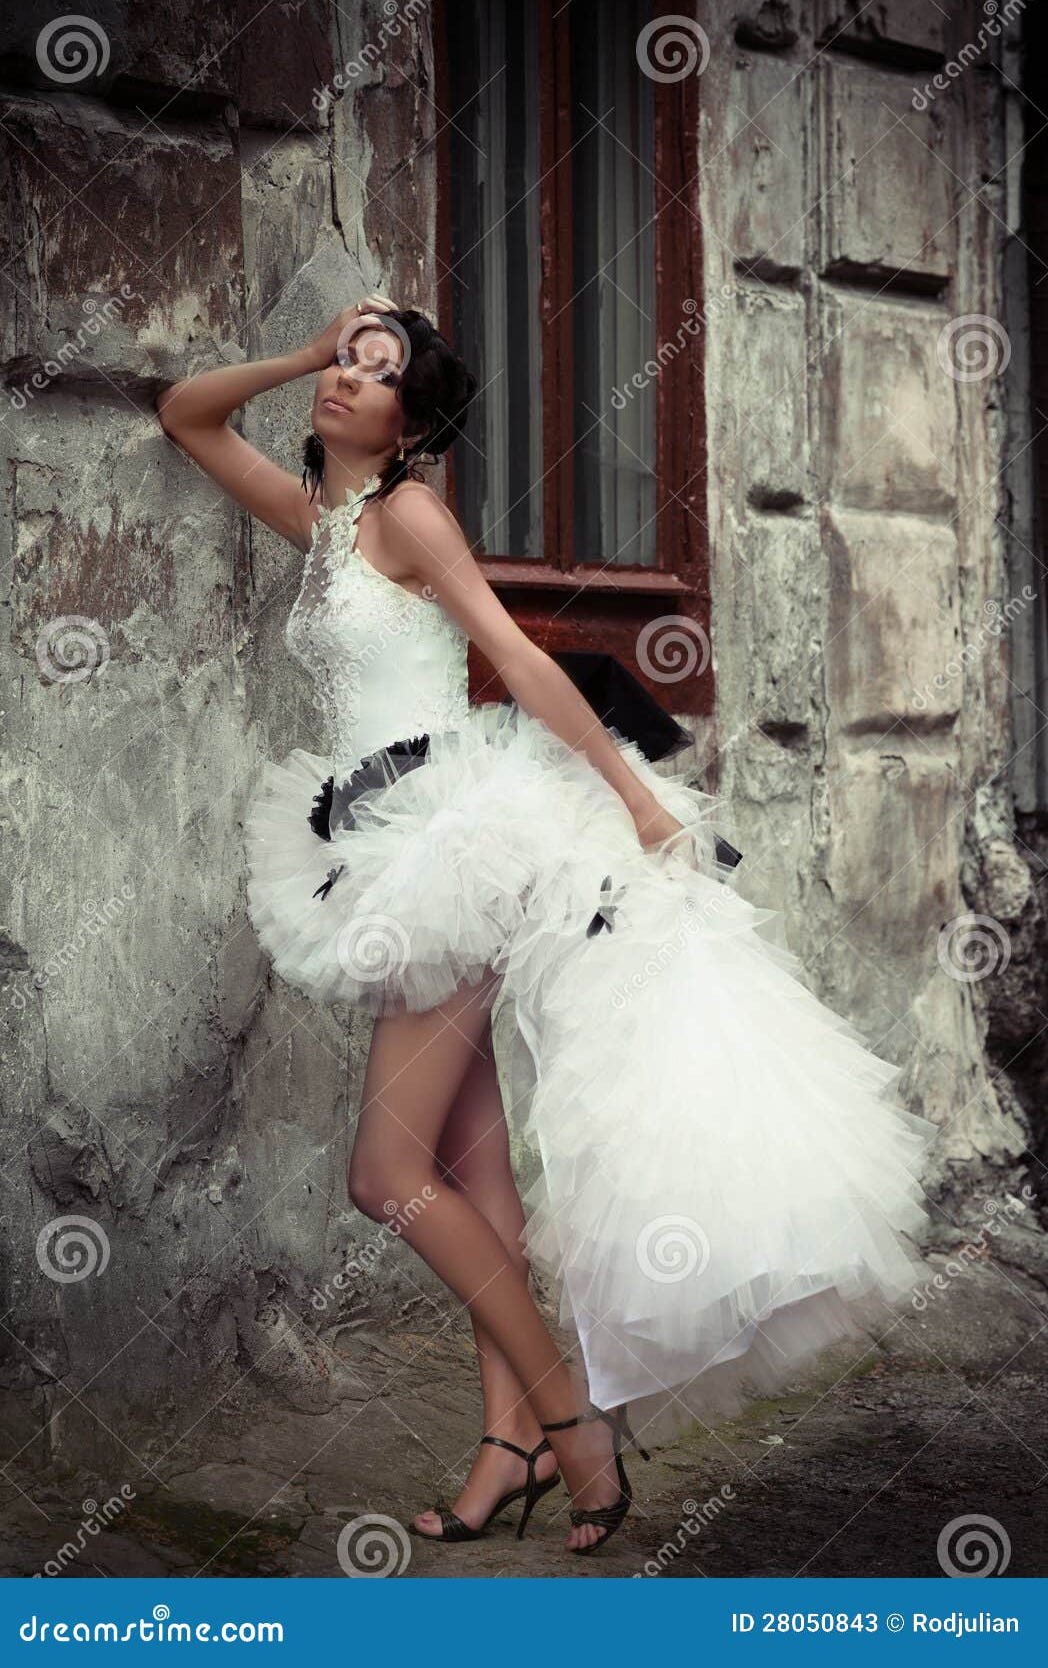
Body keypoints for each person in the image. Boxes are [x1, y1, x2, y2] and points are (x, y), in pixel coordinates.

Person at [157, 297, 937, 1557]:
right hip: (370, 842)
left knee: (384, 1177)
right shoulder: (323, 525)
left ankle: (573, 1423)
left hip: (450, 844)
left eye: (377, 369)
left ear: (414, 418)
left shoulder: (409, 515)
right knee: (469, 1175)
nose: (348, 380)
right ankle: (507, 1445)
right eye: (343, 362)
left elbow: (514, 657)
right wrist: (302, 352)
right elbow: (185, 413)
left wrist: (635, 799)